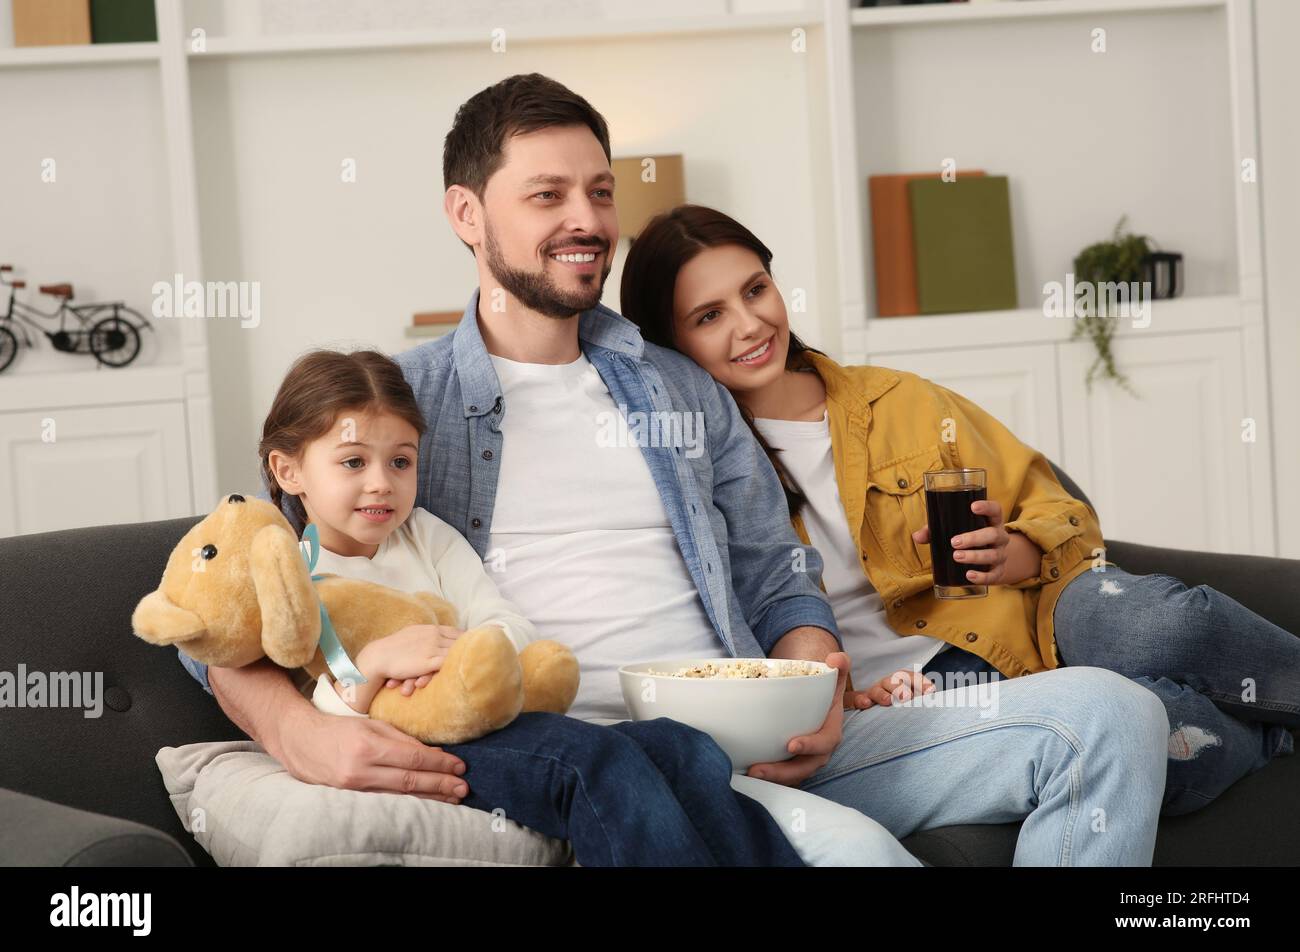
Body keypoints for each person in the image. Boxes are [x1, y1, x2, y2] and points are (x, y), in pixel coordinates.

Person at [180, 72, 1168, 866]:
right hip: (606, 753)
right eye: (548, 194)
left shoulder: (673, 387)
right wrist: (289, 727)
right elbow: (235, 576)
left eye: (601, 190)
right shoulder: (400, 405)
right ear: (467, 214)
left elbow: (770, 566)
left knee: (1112, 714)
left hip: (762, 726)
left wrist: (816, 666)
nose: (587, 218)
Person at [618, 201, 1298, 818]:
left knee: (1167, 623)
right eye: (709, 316)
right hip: (915, 692)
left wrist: (1020, 548)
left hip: (1031, 612)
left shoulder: (901, 401)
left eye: (756, 289)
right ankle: (1270, 734)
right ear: (670, 345)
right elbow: (749, 636)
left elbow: (1063, 509)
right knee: (1164, 732)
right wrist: (846, 700)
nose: (749, 323)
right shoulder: (692, 474)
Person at [182, 346, 915, 866]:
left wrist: (472, 651)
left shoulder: (426, 535)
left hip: (492, 707)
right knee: (593, 764)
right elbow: (322, 697)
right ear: (288, 469)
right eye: (352, 463)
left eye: (400, 461)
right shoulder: (292, 567)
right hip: (426, 737)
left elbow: (500, 615)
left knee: (681, 745)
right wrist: (374, 668)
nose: (381, 484)